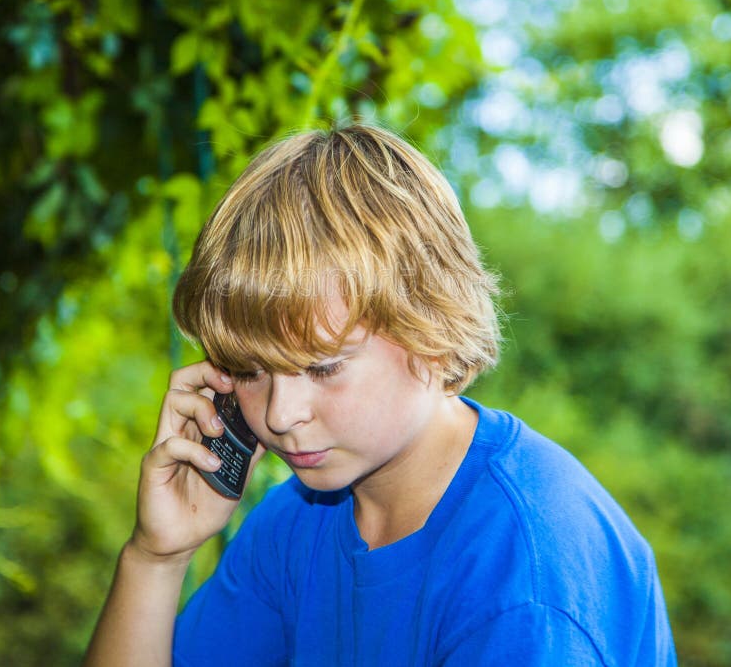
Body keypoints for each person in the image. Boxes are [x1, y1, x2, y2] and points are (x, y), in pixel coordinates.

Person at [83, 122, 677, 666]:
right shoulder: (299, 521)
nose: (281, 415)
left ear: (431, 329)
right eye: (250, 370)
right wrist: (156, 558)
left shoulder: (523, 589)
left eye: (323, 368)